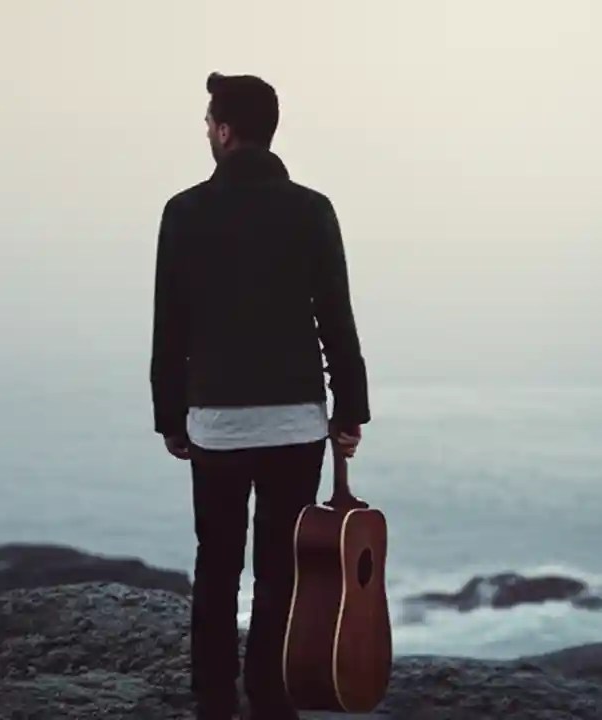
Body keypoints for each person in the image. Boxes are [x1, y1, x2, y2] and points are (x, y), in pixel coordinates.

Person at [149, 71, 371, 720]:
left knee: (216, 565)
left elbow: (172, 326)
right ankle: (271, 698)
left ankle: (215, 699)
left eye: (209, 124)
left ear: (224, 130)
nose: (208, 134)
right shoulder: (312, 209)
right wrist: (349, 409)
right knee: (281, 571)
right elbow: (336, 317)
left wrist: (170, 416)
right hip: (297, 423)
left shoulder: (184, 211)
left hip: (216, 422)